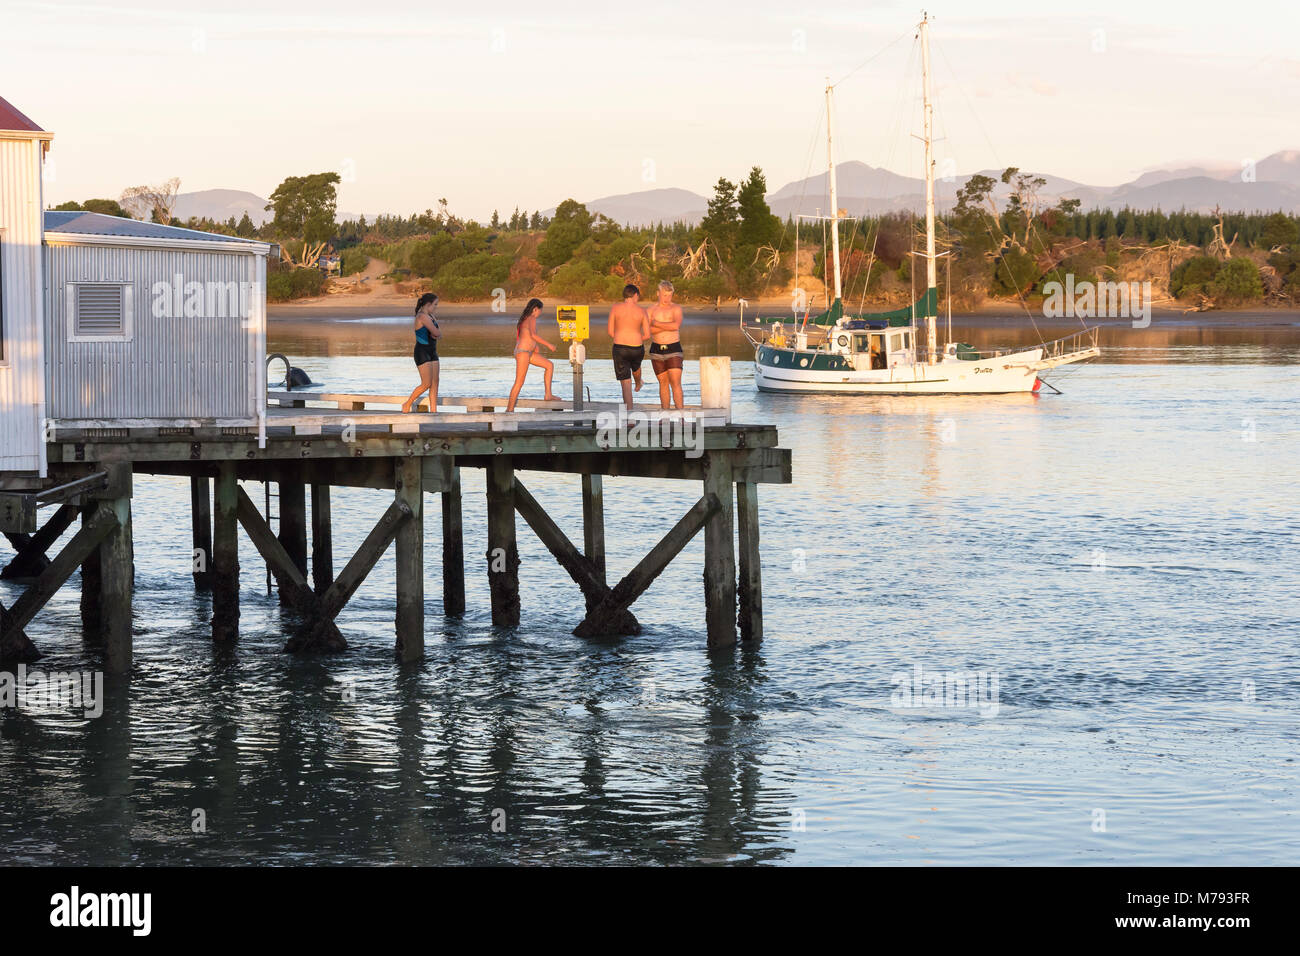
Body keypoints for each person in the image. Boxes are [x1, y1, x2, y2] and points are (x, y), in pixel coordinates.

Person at [506, 297, 558, 412]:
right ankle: (509, 410)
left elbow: (525, 336)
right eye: (540, 310)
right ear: (535, 309)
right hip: (523, 353)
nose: (540, 313)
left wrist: (535, 347)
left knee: (549, 365)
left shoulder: (525, 318)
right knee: (519, 382)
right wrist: (549, 345)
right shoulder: (531, 318)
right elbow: (533, 335)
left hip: (526, 352)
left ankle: (548, 394)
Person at [607, 283, 648, 409]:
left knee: (625, 383)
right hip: (637, 347)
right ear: (635, 295)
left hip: (620, 347)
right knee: (636, 367)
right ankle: (638, 382)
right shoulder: (641, 311)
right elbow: (647, 334)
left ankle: (630, 416)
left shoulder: (615, 308)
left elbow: (610, 332)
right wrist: (635, 338)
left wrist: (621, 336)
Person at [646, 280, 685, 409]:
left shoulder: (676, 308)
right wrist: (665, 326)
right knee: (663, 383)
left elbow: (675, 326)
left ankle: (681, 417)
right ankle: (665, 417)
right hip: (656, 349)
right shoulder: (651, 310)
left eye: (669, 295)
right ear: (658, 293)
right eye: (664, 295)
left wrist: (656, 323)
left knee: (675, 383)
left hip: (673, 348)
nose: (667, 298)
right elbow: (648, 331)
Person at [401, 292, 441, 413]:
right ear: (428, 304)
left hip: (433, 351)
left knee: (435, 382)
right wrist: (435, 334)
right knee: (426, 383)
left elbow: (438, 334)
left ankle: (434, 410)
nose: (436, 307)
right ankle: (407, 403)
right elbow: (437, 333)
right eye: (435, 305)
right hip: (422, 351)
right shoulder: (422, 316)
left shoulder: (431, 316)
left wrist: (436, 334)